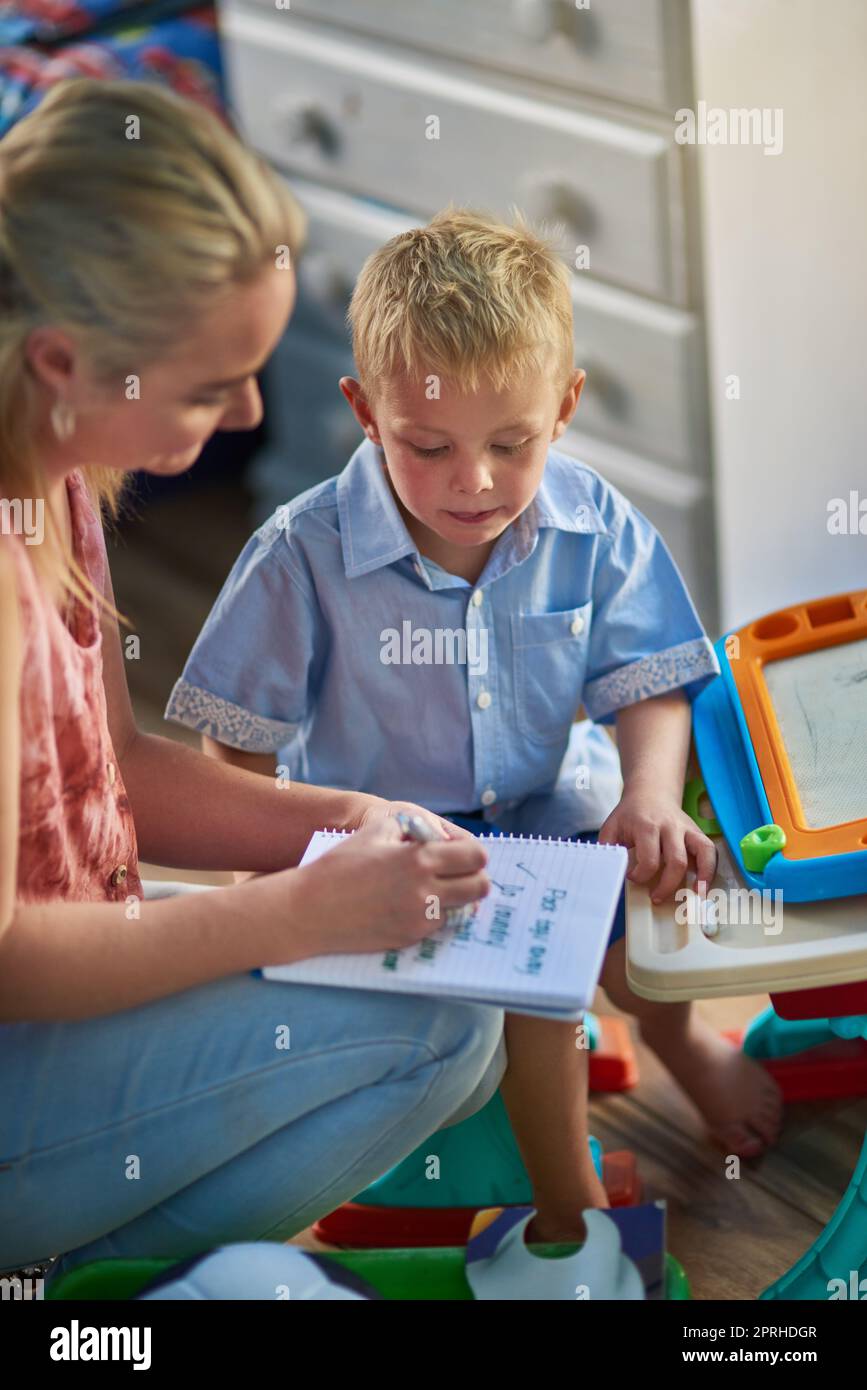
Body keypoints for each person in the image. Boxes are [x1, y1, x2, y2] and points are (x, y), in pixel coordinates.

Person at [166, 209, 785, 1251]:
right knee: (540, 993)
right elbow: (236, 735)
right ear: (366, 413)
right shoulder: (300, 553)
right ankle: (566, 1211)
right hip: (388, 838)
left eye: (513, 443)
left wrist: (644, 796)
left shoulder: (593, 521)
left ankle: (674, 1033)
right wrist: (268, 894)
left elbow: (652, 682)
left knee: (654, 886)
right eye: (430, 446)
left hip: (553, 795)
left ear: (567, 408)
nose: (477, 482)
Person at [0, 81, 504, 1283]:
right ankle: (79, 1287)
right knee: (438, 1022)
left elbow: (107, 767)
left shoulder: (54, 465)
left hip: (51, 997)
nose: (251, 413)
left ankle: (81, 1267)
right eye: (207, 385)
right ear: (64, 360)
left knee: (457, 995)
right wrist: (293, 915)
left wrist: (336, 823)